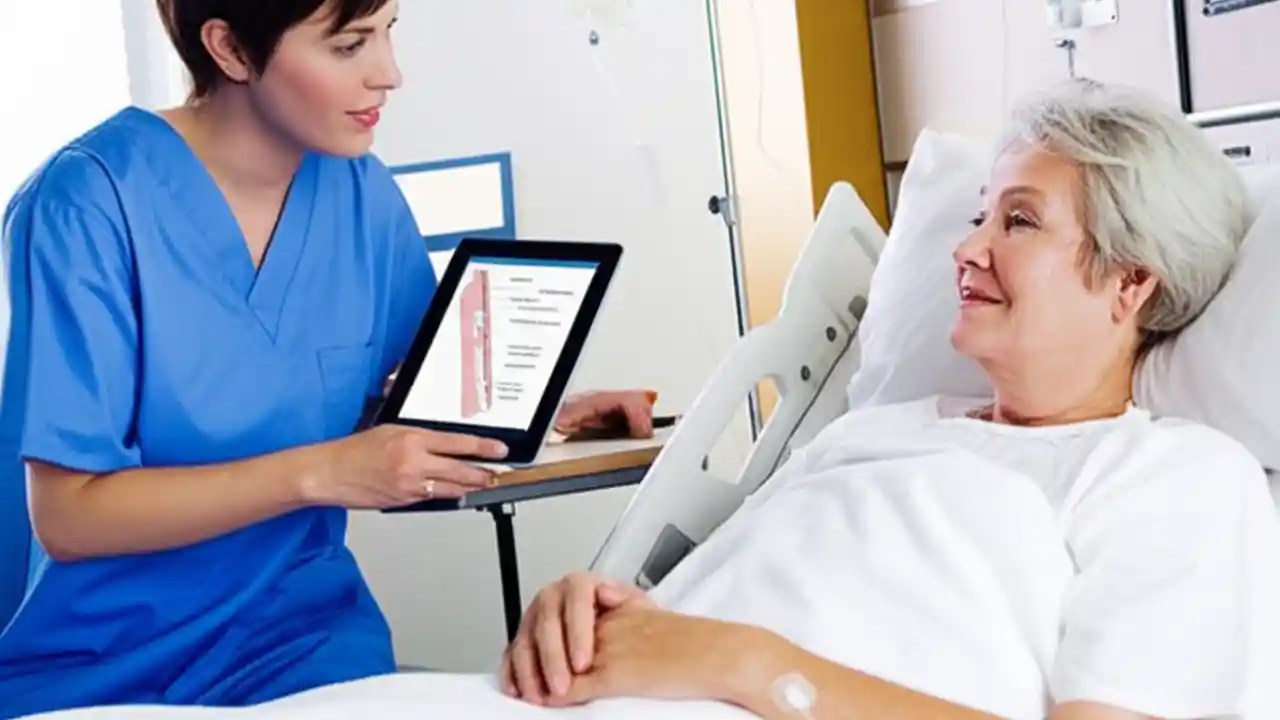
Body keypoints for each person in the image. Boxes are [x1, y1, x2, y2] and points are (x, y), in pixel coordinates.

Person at [502, 81, 1280, 719]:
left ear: (1130, 281)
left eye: (1018, 221)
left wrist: (749, 664)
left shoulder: (1178, 475)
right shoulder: (864, 431)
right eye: (979, 215)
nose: (967, 248)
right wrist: (584, 616)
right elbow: (702, 602)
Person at [0, 0, 655, 716]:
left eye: (387, 34)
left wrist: (542, 415)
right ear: (230, 49)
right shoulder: (89, 203)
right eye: (348, 46)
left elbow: (398, 415)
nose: (390, 75)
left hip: (302, 644)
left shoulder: (360, 193)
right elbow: (69, 516)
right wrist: (322, 474)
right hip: (106, 664)